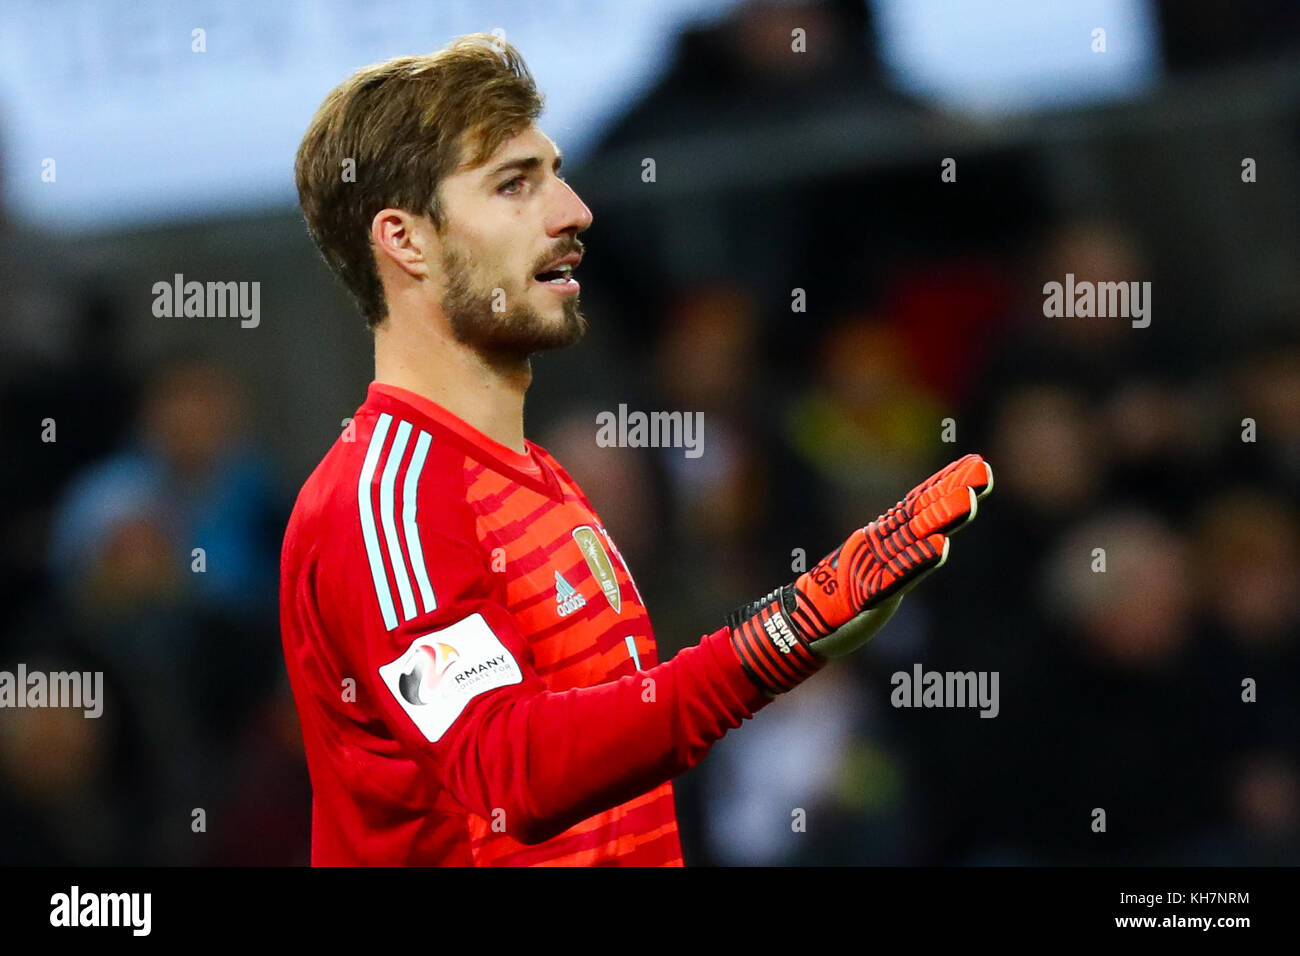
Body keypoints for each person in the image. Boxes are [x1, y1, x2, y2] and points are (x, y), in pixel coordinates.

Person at [280, 33, 993, 866]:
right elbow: (507, 768)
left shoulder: (542, 481)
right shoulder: (388, 500)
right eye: (515, 185)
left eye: (555, 174)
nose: (573, 212)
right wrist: (779, 640)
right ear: (406, 242)